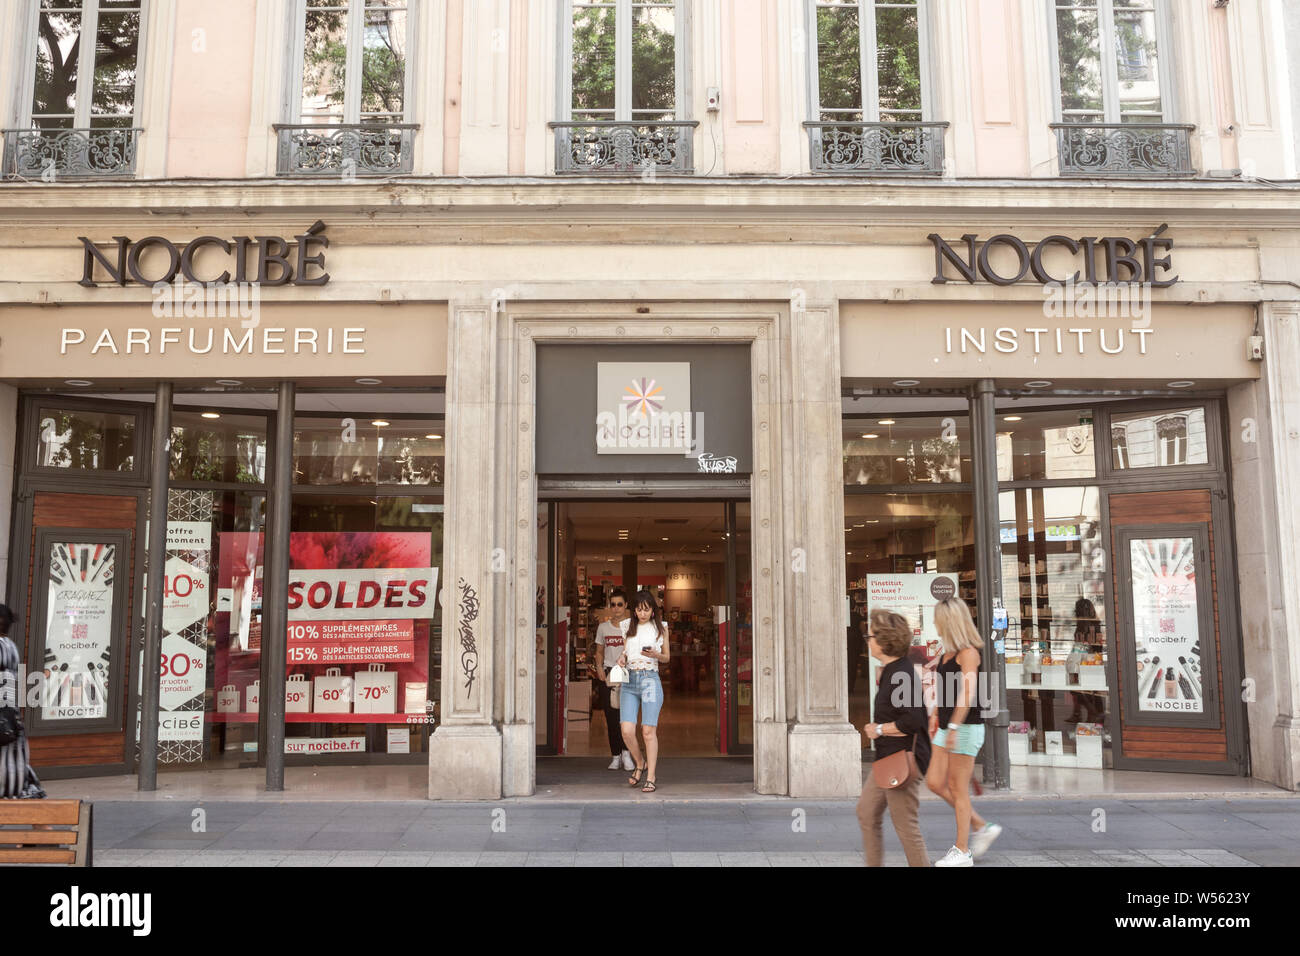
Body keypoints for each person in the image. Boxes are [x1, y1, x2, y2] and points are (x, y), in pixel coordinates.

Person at [926, 596, 999, 866]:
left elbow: (967, 693)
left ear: (949, 621)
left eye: (937, 618)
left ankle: (962, 850)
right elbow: (945, 690)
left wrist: (954, 725)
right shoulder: (946, 653)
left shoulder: (969, 653)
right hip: (947, 727)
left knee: (958, 788)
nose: (934, 621)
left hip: (965, 727)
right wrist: (936, 715)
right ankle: (981, 825)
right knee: (935, 782)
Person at [856, 609, 930, 867]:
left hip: (903, 760)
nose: (868, 639)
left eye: (871, 635)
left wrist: (878, 729)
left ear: (884, 640)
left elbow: (914, 720)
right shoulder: (892, 670)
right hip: (887, 759)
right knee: (866, 813)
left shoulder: (901, 674)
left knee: (906, 827)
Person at [616, 589, 670, 793]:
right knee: (627, 730)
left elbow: (667, 658)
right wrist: (622, 658)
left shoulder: (662, 628)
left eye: (646, 610)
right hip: (630, 681)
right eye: (639, 610)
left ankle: (651, 776)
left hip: (649, 680)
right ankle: (640, 762)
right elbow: (625, 652)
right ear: (634, 611)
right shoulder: (626, 627)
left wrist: (656, 654)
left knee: (648, 732)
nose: (642, 614)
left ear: (653, 611)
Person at [0, 604, 45, 799]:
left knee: (12, 782)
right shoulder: (11, 646)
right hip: (10, 721)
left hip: (3, 722)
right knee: (18, 779)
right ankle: (48, 828)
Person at [592, 590, 634, 771]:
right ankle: (615, 755)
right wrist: (599, 668)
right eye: (613, 604)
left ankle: (627, 754)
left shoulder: (633, 627)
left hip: (629, 673)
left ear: (625, 606)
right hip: (609, 674)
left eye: (619, 604)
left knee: (627, 718)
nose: (616, 608)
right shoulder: (603, 628)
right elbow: (599, 651)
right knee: (610, 717)